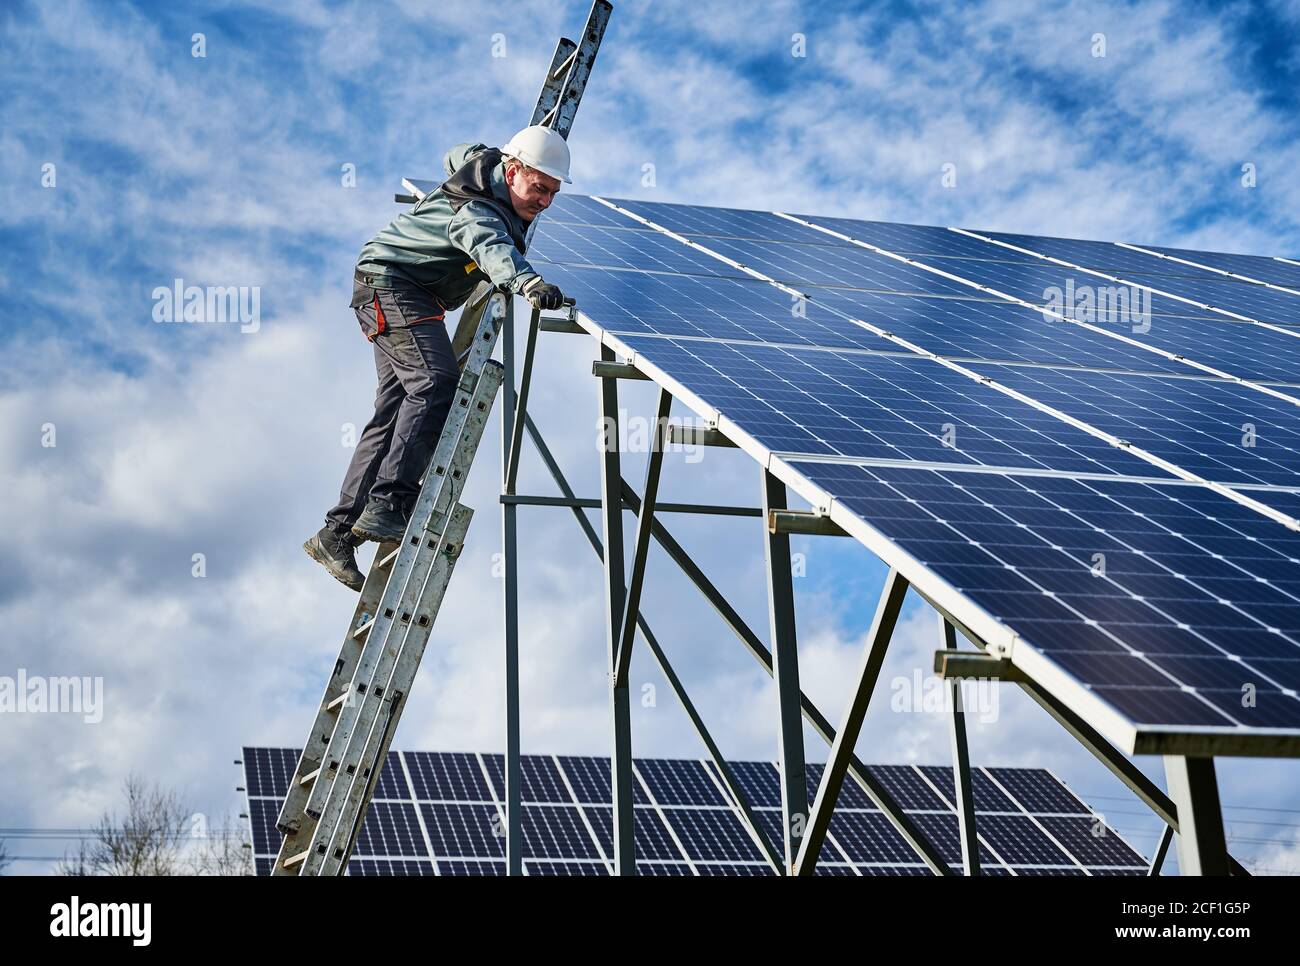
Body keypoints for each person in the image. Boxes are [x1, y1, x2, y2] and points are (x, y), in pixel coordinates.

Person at [304, 126, 570, 591]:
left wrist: (480, 153)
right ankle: (388, 504)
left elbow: (456, 152)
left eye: (553, 193)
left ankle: (336, 533)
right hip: (392, 286)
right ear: (512, 171)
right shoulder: (480, 212)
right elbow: (493, 248)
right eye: (538, 188)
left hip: (407, 293)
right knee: (434, 383)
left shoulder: (481, 167)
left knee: (393, 412)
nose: (544, 201)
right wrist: (528, 284)